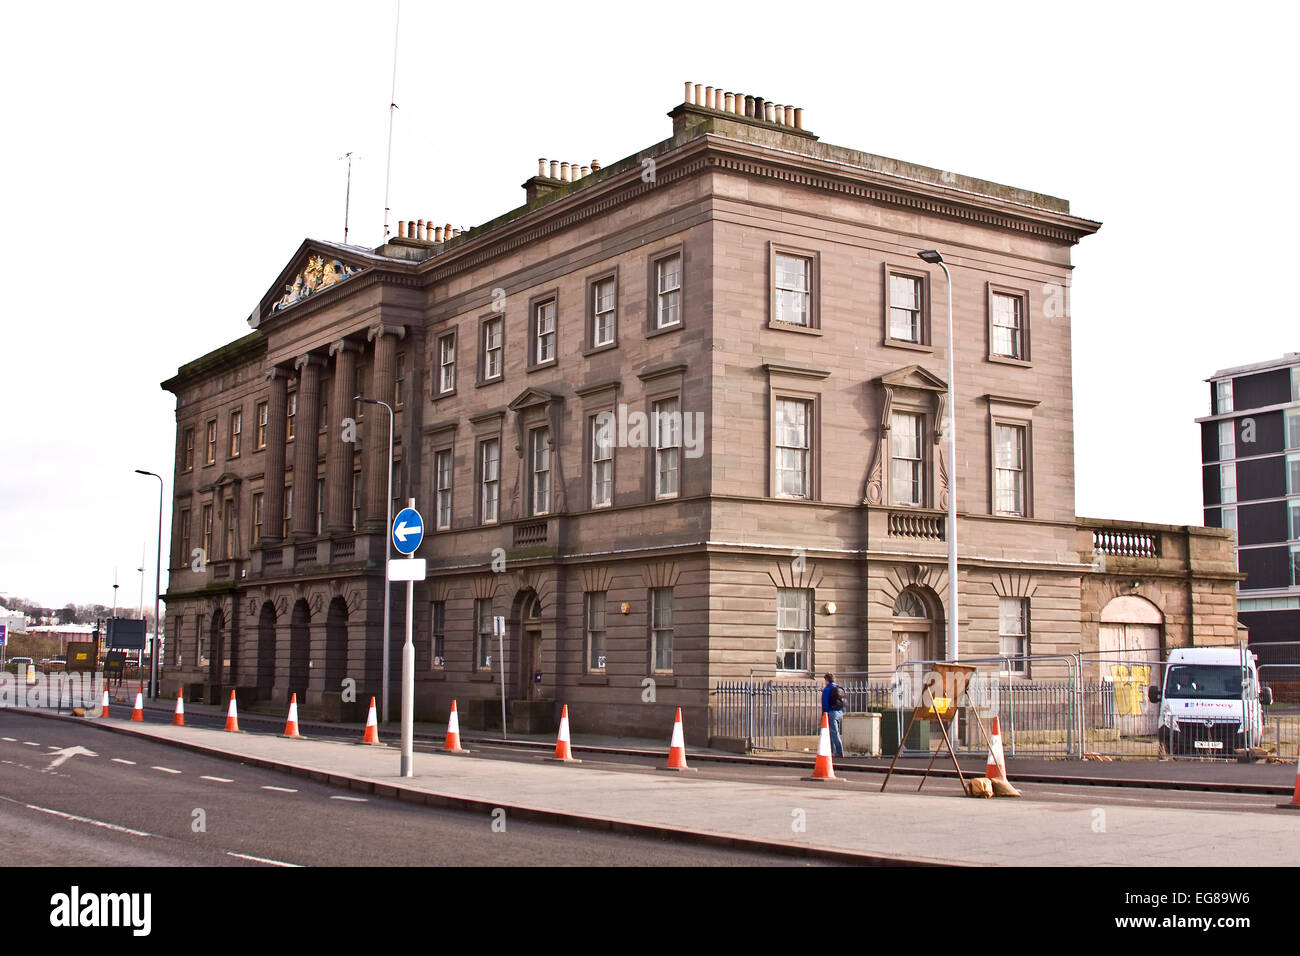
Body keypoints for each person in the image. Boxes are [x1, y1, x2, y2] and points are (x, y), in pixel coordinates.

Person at [821, 672, 845, 757]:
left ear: (826, 680)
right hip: (840, 712)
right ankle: (833, 751)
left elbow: (825, 703)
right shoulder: (838, 688)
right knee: (834, 732)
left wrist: (824, 714)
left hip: (831, 712)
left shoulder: (827, 689)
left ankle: (839, 751)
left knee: (834, 733)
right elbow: (844, 701)